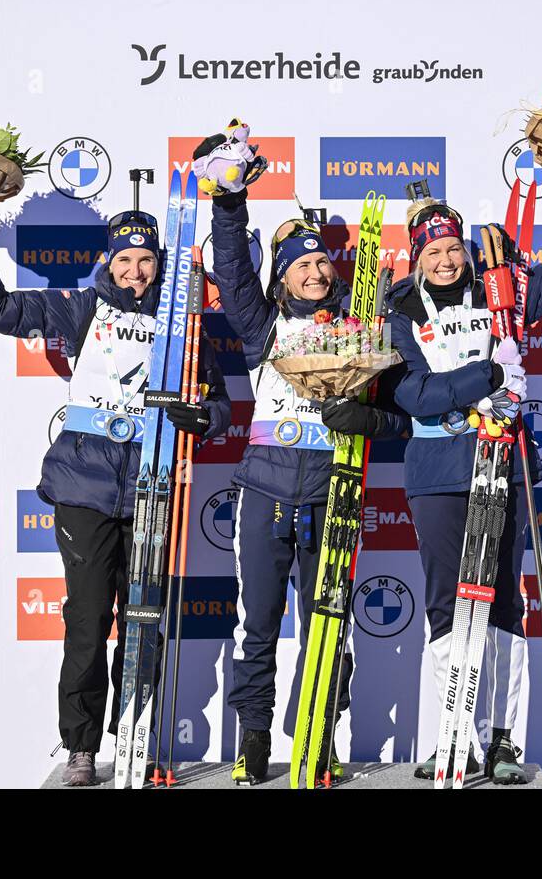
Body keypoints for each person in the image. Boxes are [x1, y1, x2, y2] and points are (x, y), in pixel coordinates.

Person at [0, 203, 231, 786]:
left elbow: (220, 407)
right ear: (108, 260)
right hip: (84, 487)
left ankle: (134, 737)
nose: (136, 272)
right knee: (86, 620)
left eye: (147, 261)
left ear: (162, 264)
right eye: (126, 259)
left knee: (143, 618)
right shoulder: (84, 306)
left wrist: (199, 416)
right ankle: (81, 747)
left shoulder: (187, 324)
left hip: (154, 486)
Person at [387, 139, 542, 785]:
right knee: (444, 605)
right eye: (431, 251)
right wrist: (483, 373)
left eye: (451, 248)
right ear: (416, 257)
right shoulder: (402, 310)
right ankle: (452, 738)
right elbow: (412, 393)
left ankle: (501, 739)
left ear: (465, 249)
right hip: (437, 472)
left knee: (502, 606)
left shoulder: (506, 289)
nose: (444, 259)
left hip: (502, 462)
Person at [195, 127, 409, 785]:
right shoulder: (264, 328)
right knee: (256, 627)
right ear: (283, 275)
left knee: (329, 630)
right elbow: (231, 270)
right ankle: (253, 739)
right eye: (300, 265)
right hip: (263, 493)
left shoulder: (360, 329)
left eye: (322, 263)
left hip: (332, 490)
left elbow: (397, 421)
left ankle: (321, 732)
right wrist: (230, 201)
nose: (316, 272)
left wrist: (361, 415)